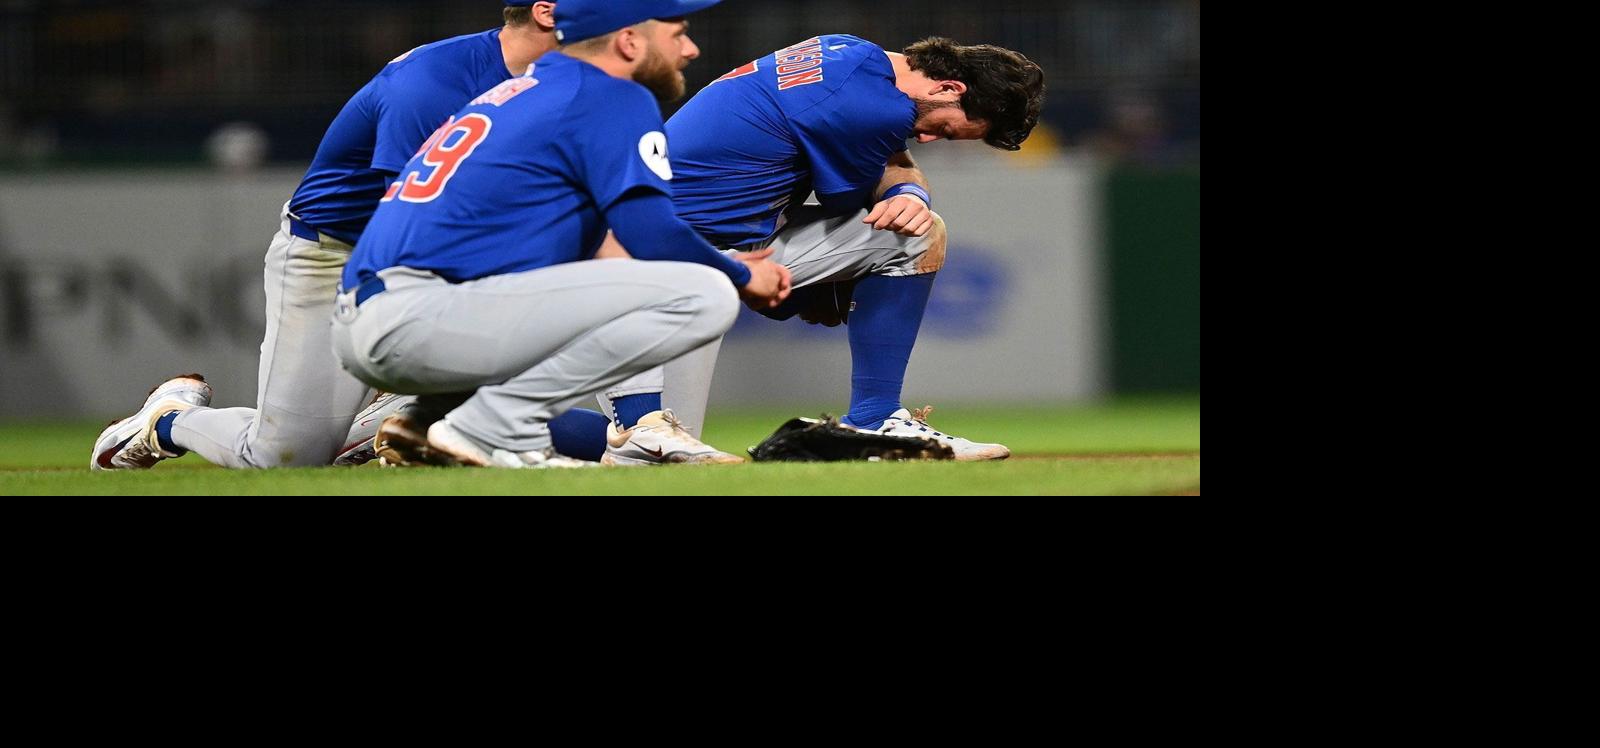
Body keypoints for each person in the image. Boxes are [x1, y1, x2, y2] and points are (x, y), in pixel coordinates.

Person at [92, 2, 560, 472]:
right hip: (335, 254)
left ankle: (404, 412)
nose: (629, 28)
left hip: (445, 252)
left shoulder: (576, 81)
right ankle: (168, 419)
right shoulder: (431, 83)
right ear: (547, 13)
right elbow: (411, 231)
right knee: (282, 458)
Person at [326, 0, 790, 469]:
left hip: (375, 315)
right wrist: (737, 274)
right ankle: (489, 428)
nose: (690, 49)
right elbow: (652, 235)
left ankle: (425, 422)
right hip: (416, 315)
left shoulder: (530, 91)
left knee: (606, 276)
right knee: (705, 294)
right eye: (677, 33)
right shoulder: (612, 95)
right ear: (629, 41)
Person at [588, 33, 1045, 462]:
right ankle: (523, 437)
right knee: (650, 446)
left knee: (915, 232)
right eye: (943, 130)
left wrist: (909, 193)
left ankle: (875, 417)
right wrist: (822, 284)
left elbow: (888, 167)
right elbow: (863, 193)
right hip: (655, 257)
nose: (924, 139)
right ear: (950, 86)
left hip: (717, 241)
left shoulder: (848, 50)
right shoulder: (873, 111)